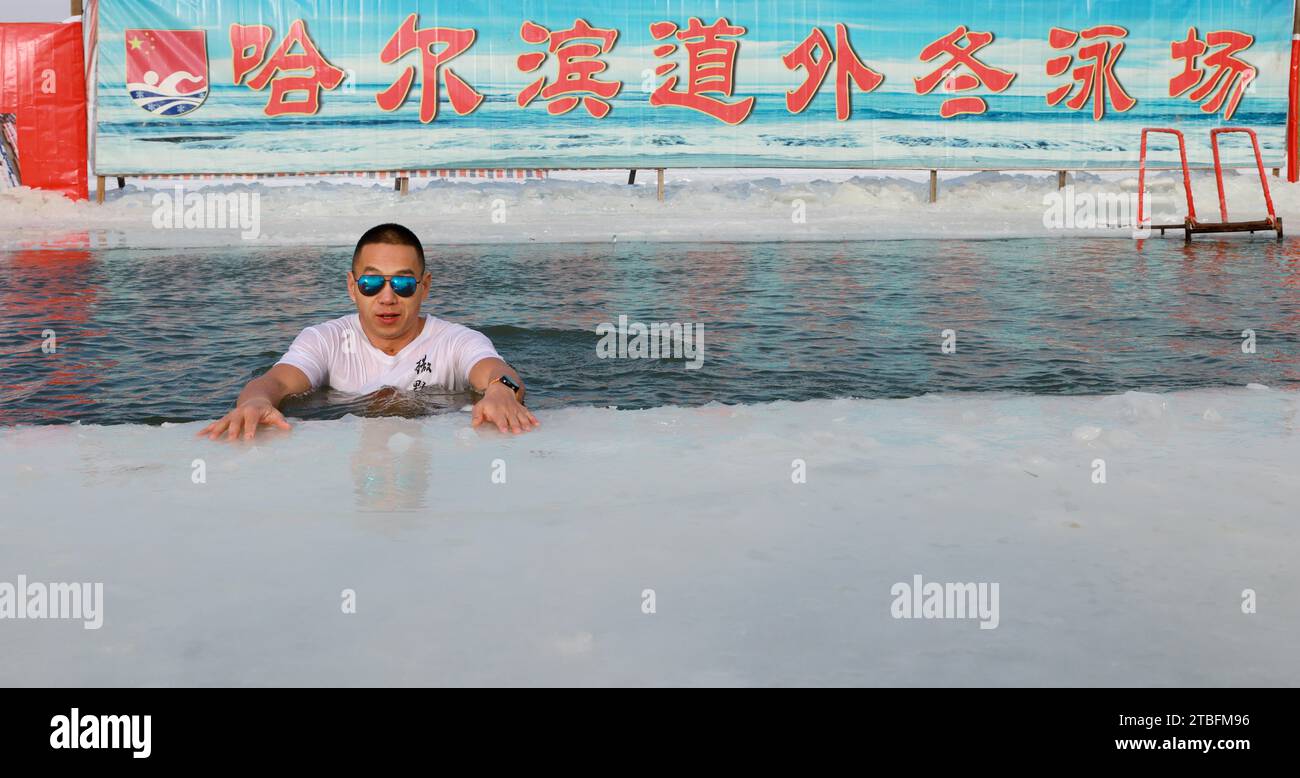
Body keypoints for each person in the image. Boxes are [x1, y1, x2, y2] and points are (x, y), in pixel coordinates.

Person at [199, 223, 538, 441]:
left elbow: (497, 371)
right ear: (352, 286)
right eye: (372, 282)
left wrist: (500, 392)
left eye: (403, 283)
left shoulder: (456, 340)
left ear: (425, 287)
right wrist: (256, 401)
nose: (387, 297)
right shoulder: (325, 339)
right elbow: (276, 381)